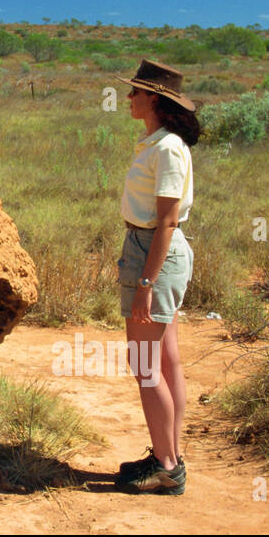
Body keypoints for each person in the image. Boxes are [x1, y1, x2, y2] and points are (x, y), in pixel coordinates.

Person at [111, 59, 200, 495]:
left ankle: (167, 466)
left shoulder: (166, 148)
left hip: (155, 252)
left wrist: (145, 283)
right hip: (149, 250)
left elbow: (165, 222)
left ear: (156, 101)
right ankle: (169, 454)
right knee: (165, 361)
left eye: (135, 92)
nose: (128, 98)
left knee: (146, 365)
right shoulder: (159, 142)